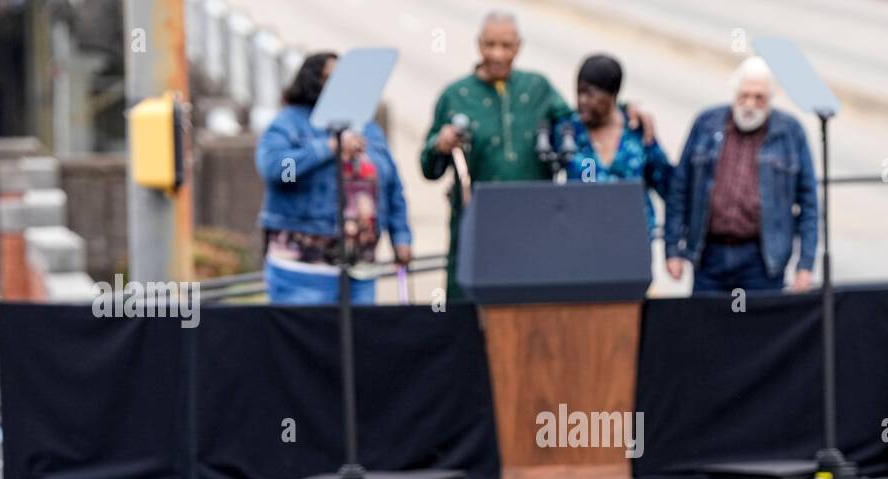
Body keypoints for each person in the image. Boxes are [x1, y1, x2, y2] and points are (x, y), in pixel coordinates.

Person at [420, 11, 655, 301]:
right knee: (468, 316)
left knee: (530, 315)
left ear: (519, 47)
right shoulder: (456, 95)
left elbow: (581, 119)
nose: (497, 54)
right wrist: (439, 145)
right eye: (490, 44)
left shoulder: (537, 89)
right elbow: (428, 168)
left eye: (506, 46)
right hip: (478, 227)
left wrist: (625, 109)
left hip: (531, 227)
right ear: (478, 44)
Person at [255, 52, 412, 304]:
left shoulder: (367, 127)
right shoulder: (289, 123)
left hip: (360, 267)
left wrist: (401, 237)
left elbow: (392, 186)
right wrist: (328, 147)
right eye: (330, 79)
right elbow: (277, 170)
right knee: (308, 342)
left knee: (361, 341)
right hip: (304, 269)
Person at [665, 57, 819, 294]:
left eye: (759, 98)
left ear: (770, 100)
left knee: (759, 329)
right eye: (744, 96)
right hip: (710, 254)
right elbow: (679, 188)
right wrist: (673, 249)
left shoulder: (789, 132)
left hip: (762, 259)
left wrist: (805, 264)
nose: (750, 104)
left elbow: (809, 202)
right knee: (707, 326)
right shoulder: (707, 124)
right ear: (734, 94)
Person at [556, 54, 672, 238]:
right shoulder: (568, 131)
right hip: (582, 239)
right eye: (579, 92)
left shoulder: (637, 132)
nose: (582, 101)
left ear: (612, 96)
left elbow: (669, 186)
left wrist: (674, 248)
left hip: (633, 240)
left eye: (591, 94)